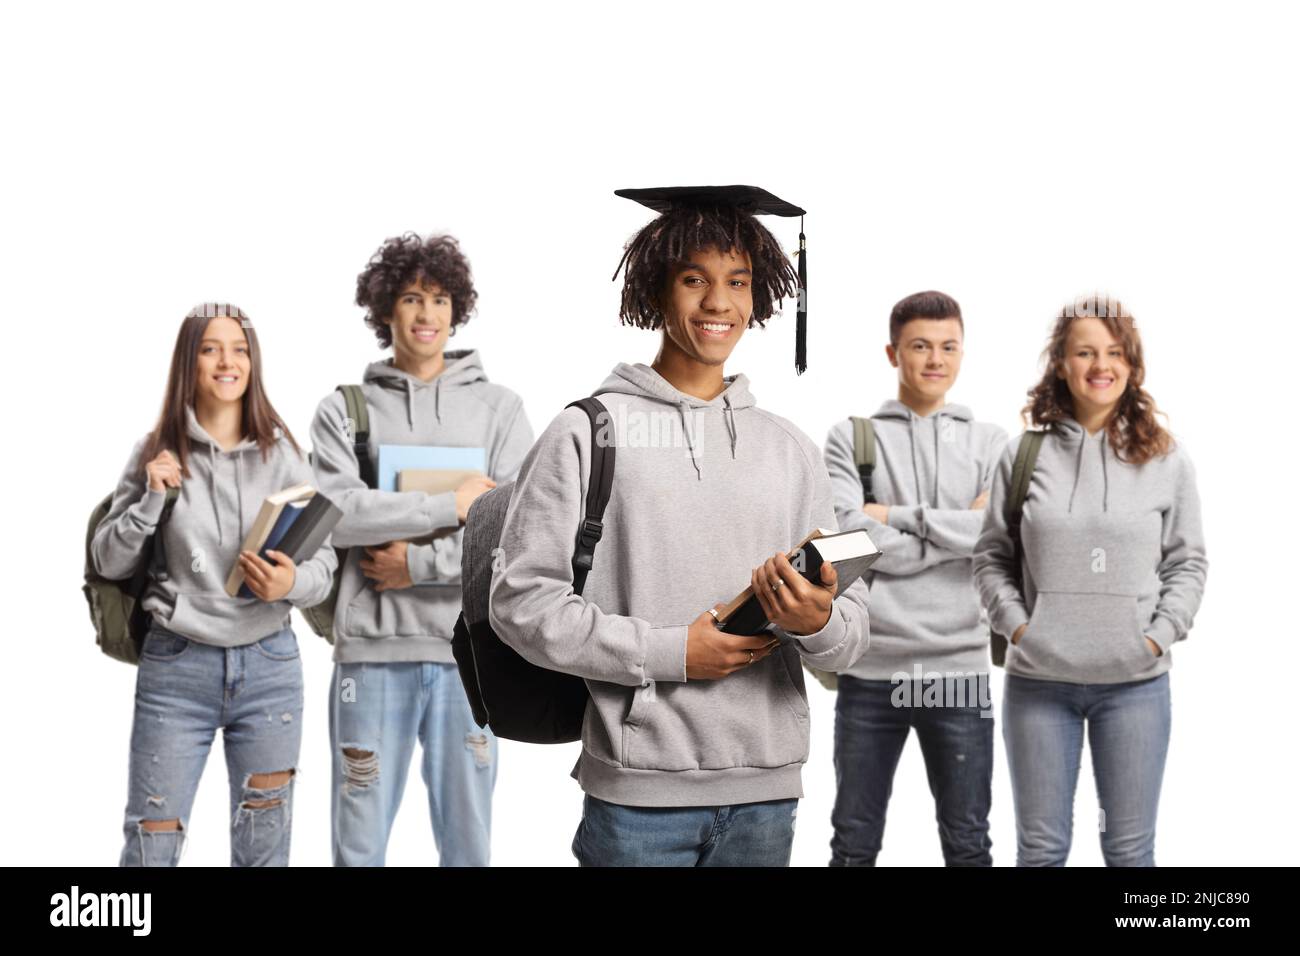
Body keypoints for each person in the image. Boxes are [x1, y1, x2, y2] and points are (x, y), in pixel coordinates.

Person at [488, 185, 871, 867]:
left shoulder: (791, 448)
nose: (718, 302)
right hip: (637, 802)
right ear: (655, 290)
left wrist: (814, 621)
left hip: (768, 798)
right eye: (694, 279)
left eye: (737, 282)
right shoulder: (585, 433)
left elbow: (851, 642)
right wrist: (671, 653)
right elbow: (520, 603)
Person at [309, 233, 534, 866]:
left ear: (456, 309)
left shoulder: (500, 410)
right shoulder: (345, 412)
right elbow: (333, 515)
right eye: (411, 298)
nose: (426, 314)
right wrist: (449, 506)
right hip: (372, 654)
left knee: (468, 844)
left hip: (472, 658)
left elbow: (518, 533)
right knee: (359, 843)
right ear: (386, 310)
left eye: (439, 299)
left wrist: (417, 563)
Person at [93, 302, 337, 867]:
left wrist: (290, 582)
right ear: (189, 361)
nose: (227, 361)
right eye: (210, 348)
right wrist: (153, 498)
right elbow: (108, 559)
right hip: (177, 669)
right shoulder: (155, 450)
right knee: (152, 840)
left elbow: (324, 568)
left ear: (252, 362)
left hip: (270, 670)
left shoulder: (283, 454)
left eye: (239, 349)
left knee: (264, 848)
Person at [973, 295, 1208, 866]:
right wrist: (1021, 628)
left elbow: (1188, 563)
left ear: (1131, 364)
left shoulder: (1167, 459)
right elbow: (990, 557)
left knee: (1129, 853)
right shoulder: (1021, 454)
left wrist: (1158, 634)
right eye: (1085, 352)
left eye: (1113, 352)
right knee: (1042, 850)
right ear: (1062, 363)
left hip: (1136, 686)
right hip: (1039, 686)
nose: (1100, 365)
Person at [823, 290, 1008, 866]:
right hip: (872, 667)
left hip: (959, 670)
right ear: (892, 352)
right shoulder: (853, 438)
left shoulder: (991, 443)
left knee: (968, 842)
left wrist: (896, 519)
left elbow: (995, 536)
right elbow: (848, 540)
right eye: (921, 346)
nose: (935, 359)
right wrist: (956, 532)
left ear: (963, 352)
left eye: (949, 346)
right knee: (854, 843)